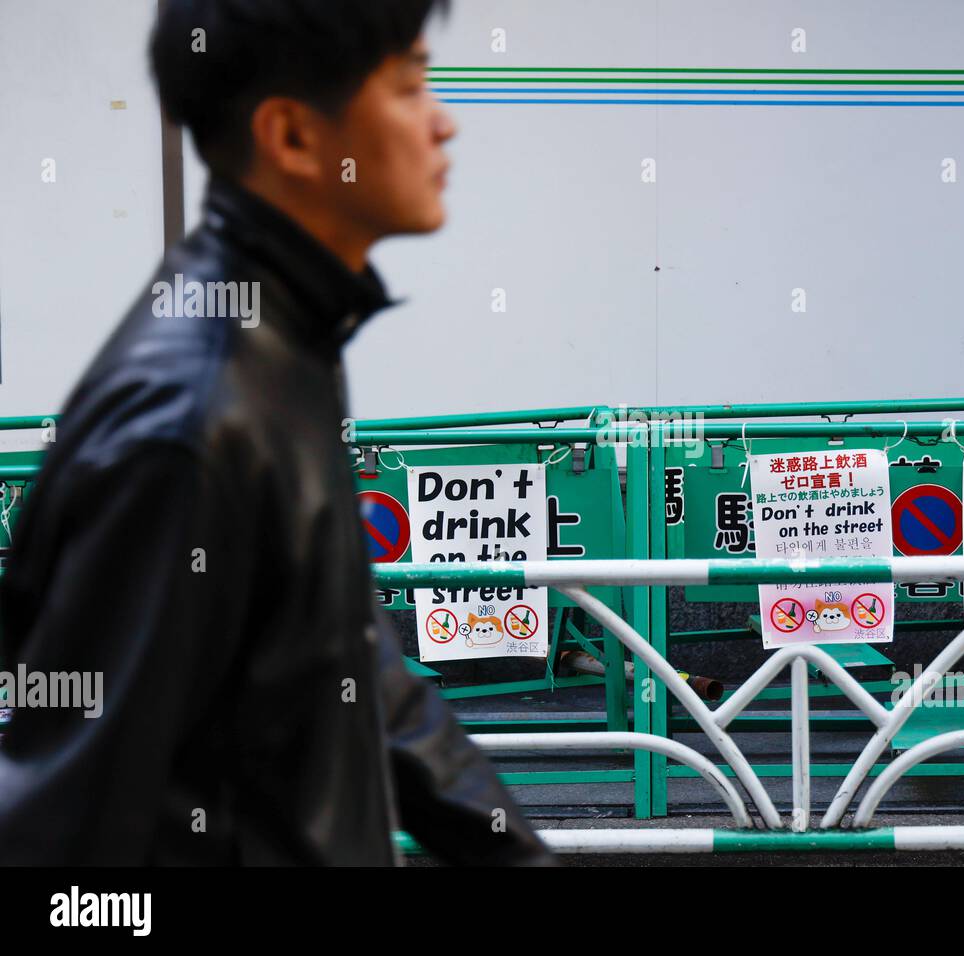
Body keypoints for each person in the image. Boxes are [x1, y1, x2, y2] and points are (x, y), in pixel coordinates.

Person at [0, 0, 552, 866]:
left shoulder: (288, 344)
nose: (444, 122)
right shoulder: (190, 424)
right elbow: (67, 835)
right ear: (294, 138)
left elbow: (361, 668)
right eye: (408, 85)